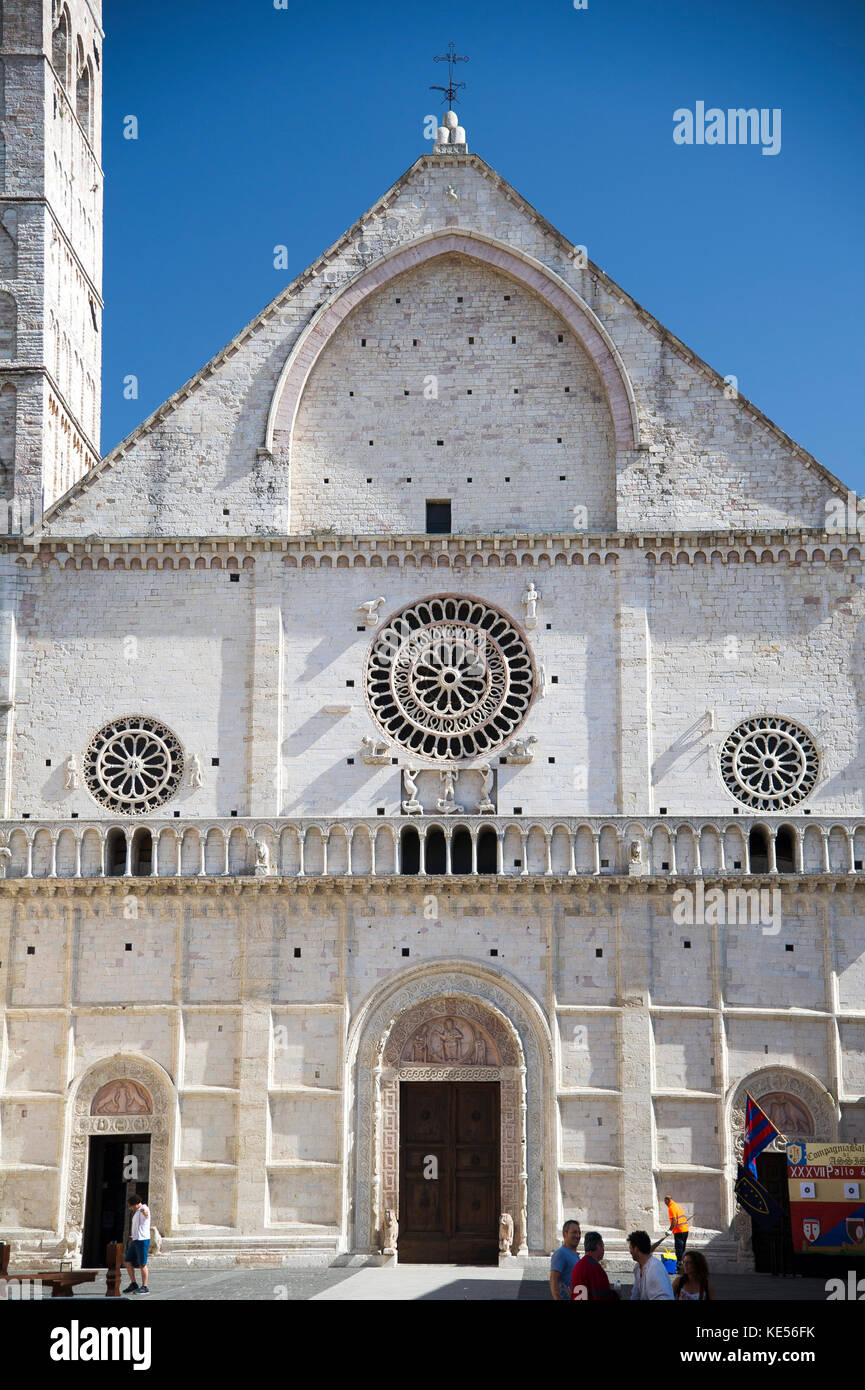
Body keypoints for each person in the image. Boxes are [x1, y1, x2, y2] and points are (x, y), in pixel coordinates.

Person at [570, 1230, 620, 1301]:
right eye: (602, 1246)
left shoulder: (578, 1266)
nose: (603, 1250)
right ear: (598, 1246)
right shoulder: (595, 1268)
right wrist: (615, 1295)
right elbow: (602, 1296)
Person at [628, 1229, 674, 1300]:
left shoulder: (655, 1268)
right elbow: (635, 1294)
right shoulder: (637, 1268)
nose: (630, 1252)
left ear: (636, 1249)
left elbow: (664, 1297)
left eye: (630, 1248)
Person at [123, 1194, 151, 1295]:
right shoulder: (136, 1213)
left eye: (131, 1205)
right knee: (127, 1261)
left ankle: (145, 1286)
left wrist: (145, 1212)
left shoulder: (143, 1208)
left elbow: (146, 1213)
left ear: (135, 1204)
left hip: (142, 1240)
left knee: (142, 1264)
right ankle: (133, 1283)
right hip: (136, 1240)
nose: (130, 1208)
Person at [549, 1219, 581, 1300]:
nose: (577, 1236)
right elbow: (553, 1280)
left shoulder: (575, 1255)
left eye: (579, 1233)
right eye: (574, 1232)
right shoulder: (561, 1253)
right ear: (565, 1234)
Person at [664, 1194, 690, 1270]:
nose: (666, 1204)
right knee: (682, 1249)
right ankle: (683, 1265)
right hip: (685, 1230)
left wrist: (669, 1230)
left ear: (667, 1200)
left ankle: (680, 1266)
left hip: (679, 1231)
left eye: (665, 1202)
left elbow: (674, 1221)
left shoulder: (671, 1208)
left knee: (679, 1249)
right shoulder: (678, 1206)